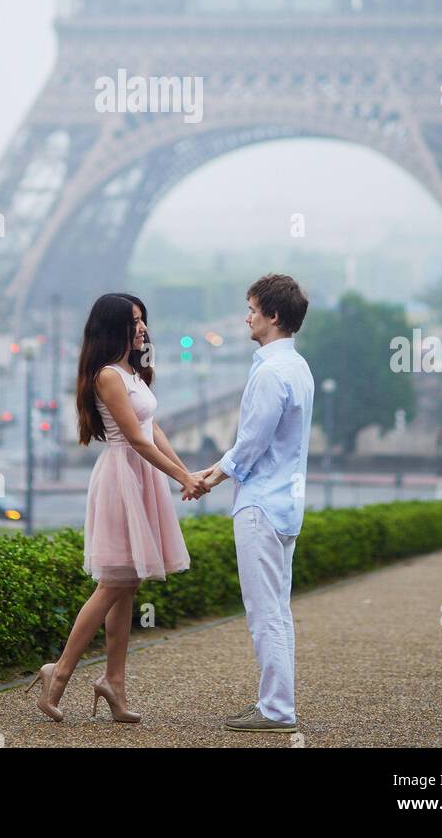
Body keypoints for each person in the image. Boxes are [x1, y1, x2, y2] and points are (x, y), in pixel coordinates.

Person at [26, 292, 205, 723]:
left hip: (139, 477)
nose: (142, 328)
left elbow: (152, 427)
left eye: (143, 320)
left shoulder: (132, 372)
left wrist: (187, 473)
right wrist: (182, 478)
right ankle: (61, 671)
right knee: (112, 584)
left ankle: (114, 683)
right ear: (113, 328)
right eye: (134, 321)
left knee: (128, 584)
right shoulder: (107, 375)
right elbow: (137, 439)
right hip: (122, 477)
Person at [192, 273, 314, 733]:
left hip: (261, 506)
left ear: (273, 315)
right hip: (286, 505)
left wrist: (209, 477)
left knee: (263, 612)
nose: (246, 316)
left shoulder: (269, 373)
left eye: (251, 308)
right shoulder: (298, 368)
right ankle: (275, 703)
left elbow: (250, 445)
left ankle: (277, 710)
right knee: (277, 610)